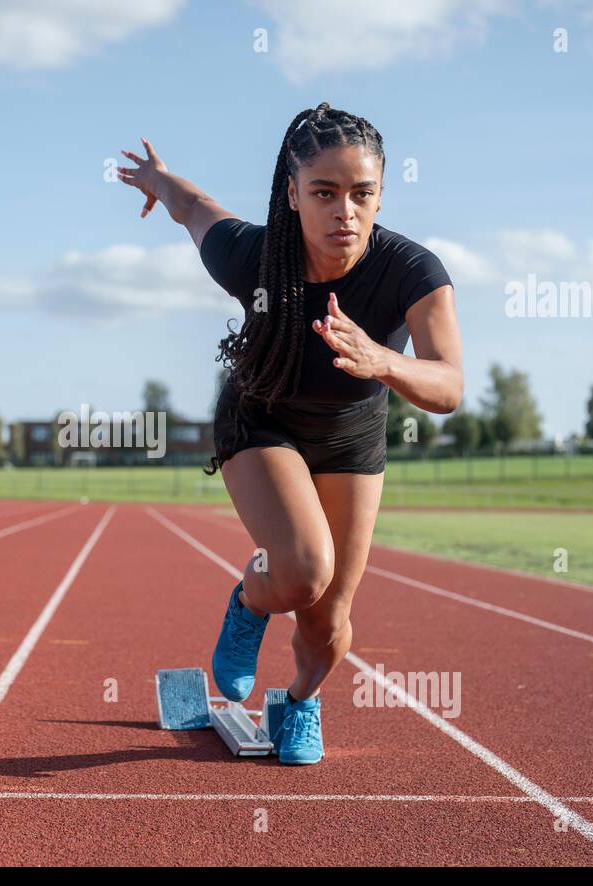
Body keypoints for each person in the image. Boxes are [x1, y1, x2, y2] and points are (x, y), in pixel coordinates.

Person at [118, 102, 464, 764]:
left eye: (362, 194)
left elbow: (448, 385)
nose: (345, 213)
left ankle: (301, 701)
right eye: (324, 193)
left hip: (350, 435)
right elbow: (196, 208)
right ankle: (250, 600)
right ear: (292, 194)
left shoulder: (412, 272)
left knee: (328, 619)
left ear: (381, 194)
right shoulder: (252, 256)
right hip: (261, 419)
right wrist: (157, 181)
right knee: (303, 571)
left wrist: (382, 361)